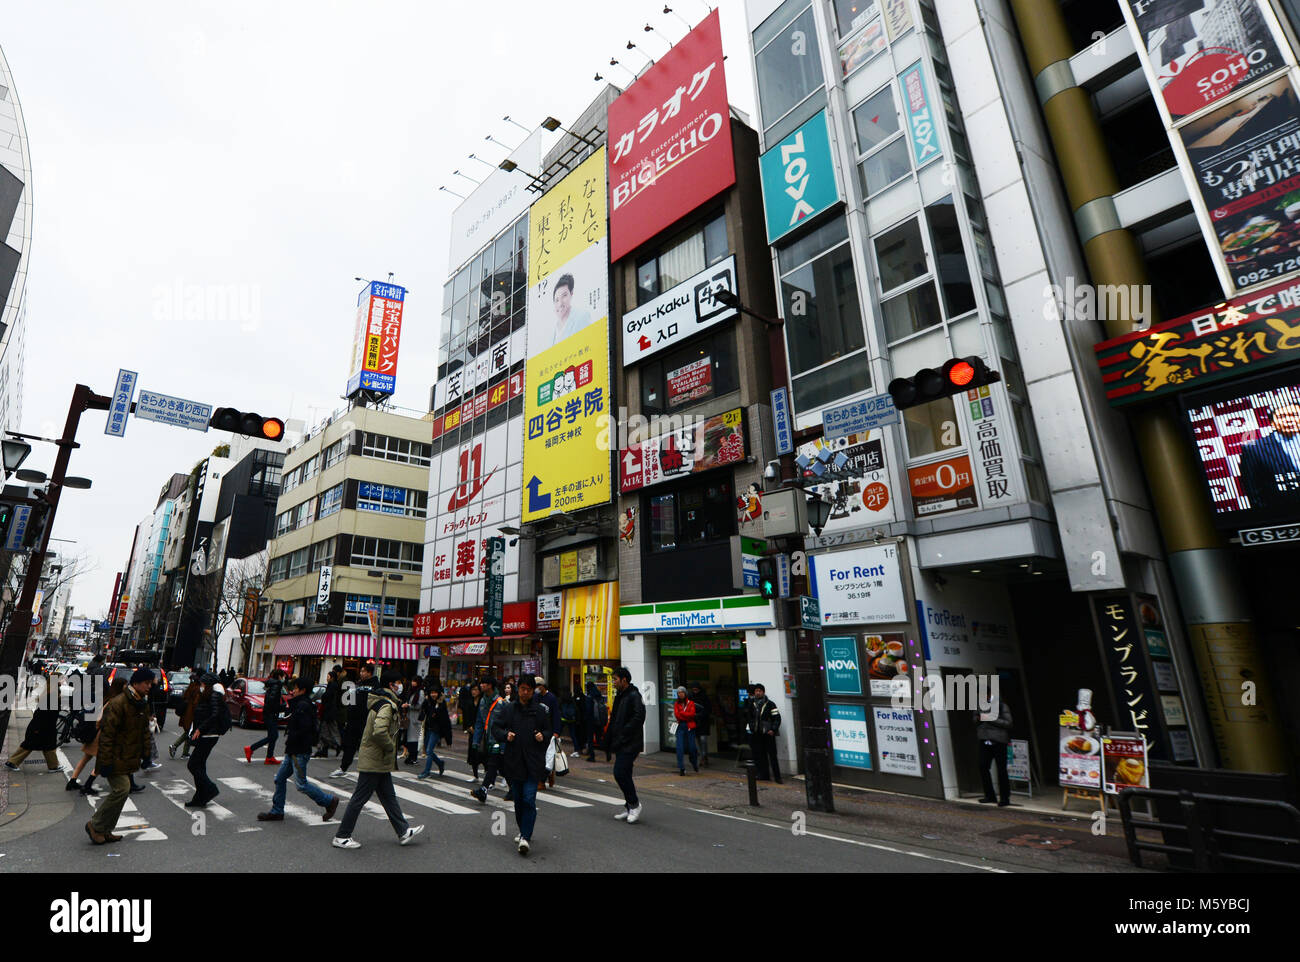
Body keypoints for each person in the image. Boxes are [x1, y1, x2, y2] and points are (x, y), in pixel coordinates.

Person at [332, 669, 424, 849]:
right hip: (375, 758)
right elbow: (380, 731)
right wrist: (391, 747)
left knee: (389, 797)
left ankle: (403, 831)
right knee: (359, 799)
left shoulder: (383, 701)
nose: (400, 686)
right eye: (398, 682)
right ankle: (342, 836)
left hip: (378, 759)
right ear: (391, 685)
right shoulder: (386, 705)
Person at [85, 668, 153, 844]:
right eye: (146, 683)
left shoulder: (141, 703)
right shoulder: (119, 703)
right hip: (114, 756)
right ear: (136, 683)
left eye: (150, 683)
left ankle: (105, 829)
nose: (149, 687)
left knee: (122, 792)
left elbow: (144, 731)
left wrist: (147, 755)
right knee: (122, 789)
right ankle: (96, 824)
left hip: (128, 757)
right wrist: (105, 762)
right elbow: (107, 735)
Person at [258, 677, 339, 823]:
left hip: (299, 751)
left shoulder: (304, 706)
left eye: (295, 688)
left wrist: (293, 740)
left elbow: (304, 729)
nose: (293, 690)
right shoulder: (301, 704)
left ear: (302, 690)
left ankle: (329, 801)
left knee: (301, 784)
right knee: (280, 779)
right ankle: (277, 811)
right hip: (294, 750)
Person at [491, 675, 552, 856]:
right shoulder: (510, 709)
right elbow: (496, 728)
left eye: (529, 689)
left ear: (533, 691)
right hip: (514, 761)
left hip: (533, 762)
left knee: (528, 799)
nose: (525, 692)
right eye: (522, 688)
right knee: (518, 800)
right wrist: (505, 735)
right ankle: (523, 830)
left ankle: (525, 836)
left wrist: (543, 736)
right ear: (518, 689)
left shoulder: (540, 711)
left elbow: (549, 729)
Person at [1240, 401, 1300, 515]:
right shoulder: (1254, 449)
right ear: (1272, 422)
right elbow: (1253, 491)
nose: (1289, 420)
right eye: (1282, 416)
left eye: (1295, 415)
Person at [605, 667, 645, 824]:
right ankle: (630, 806)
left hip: (630, 742)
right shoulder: (620, 696)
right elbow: (614, 718)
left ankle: (635, 804)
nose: (613, 682)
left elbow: (638, 717)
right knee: (624, 774)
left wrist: (623, 734)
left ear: (624, 680)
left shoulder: (634, 696)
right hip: (621, 742)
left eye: (615, 679)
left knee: (620, 772)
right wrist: (608, 741)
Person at [5, 676, 62, 776]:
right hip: (41, 726)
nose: (63, 680)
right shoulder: (51, 696)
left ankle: (53, 766)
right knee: (31, 745)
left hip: (44, 726)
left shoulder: (51, 693)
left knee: (48, 746)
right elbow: (42, 714)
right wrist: (37, 728)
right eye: (61, 678)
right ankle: (12, 762)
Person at [186, 673, 229, 807]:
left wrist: (200, 729)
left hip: (209, 735)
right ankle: (200, 797)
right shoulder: (208, 695)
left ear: (208, 685)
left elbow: (215, 715)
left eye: (202, 684)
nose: (201, 686)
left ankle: (209, 789)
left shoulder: (214, 695)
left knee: (192, 764)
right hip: (206, 734)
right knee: (200, 765)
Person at [333, 663, 377, 777]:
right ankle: (343, 767)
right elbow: (350, 701)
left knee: (366, 746)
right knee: (349, 745)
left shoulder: (375, 686)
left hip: (366, 720)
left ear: (369, 673)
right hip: (353, 720)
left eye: (364, 671)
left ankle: (368, 769)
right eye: (361, 671)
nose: (361, 673)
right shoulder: (357, 684)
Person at [470, 677, 507, 803]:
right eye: (481, 683)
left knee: (493, 764)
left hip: (499, 740)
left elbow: (507, 723)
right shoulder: (482, 701)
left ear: (490, 685)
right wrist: (476, 741)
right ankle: (513, 789)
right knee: (500, 767)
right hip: (488, 739)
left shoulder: (501, 703)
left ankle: (483, 790)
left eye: (484, 683)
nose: (481, 685)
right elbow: (480, 722)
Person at [977, 695, 1013, 807]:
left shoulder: (1002, 706)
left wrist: (989, 718)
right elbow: (975, 719)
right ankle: (990, 796)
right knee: (982, 766)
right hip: (984, 740)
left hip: (999, 741)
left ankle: (1004, 798)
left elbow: (1008, 723)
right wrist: (978, 719)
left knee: (1001, 769)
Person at [244, 668, 285, 765]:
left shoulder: (271, 685)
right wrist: (281, 707)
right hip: (271, 713)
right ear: (279, 676)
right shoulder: (276, 685)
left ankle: (269, 757)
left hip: (269, 713)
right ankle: (251, 748)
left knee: (272, 736)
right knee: (273, 736)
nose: (283, 678)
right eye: (283, 676)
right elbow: (272, 701)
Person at [745, 684, 782, 783]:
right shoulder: (751, 704)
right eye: (756, 691)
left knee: (772, 755)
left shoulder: (770, 704)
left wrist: (773, 729)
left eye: (760, 691)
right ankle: (763, 775)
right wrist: (752, 728)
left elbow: (777, 718)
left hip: (768, 734)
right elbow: (749, 717)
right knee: (760, 755)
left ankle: (777, 777)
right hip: (756, 734)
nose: (758, 693)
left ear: (763, 692)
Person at [417, 686, 451, 779]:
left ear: (439, 693)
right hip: (428, 728)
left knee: (429, 750)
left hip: (437, 730)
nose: (433, 694)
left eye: (435, 692)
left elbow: (445, 720)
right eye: (431, 692)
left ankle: (427, 772)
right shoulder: (427, 701)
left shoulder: (441, 703)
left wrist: (448, 738)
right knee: (429, 751)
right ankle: (440, 763)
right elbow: (423, 711)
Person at [550, 273, 592, 347]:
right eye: (556, 300)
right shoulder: (553, 332)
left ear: (571, 294)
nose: (560, 304)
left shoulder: (582, 317)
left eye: (564, 296)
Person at [168, 676, 203, 760]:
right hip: (191, 715)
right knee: (189, 732)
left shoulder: (190, 687)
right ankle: (175, 746)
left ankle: (185, 753)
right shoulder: (198, 689)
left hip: (186, 714)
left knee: (188, 733)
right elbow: (196, 703)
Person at [535, 678, 561, 790]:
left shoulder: (551, 698)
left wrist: (556, 732)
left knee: (546, 757)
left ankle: (542, 781)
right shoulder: (535, 697)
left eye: (537, 686)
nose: (536, 688)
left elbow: (556, 715)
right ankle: (546, 775)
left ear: (542, 686)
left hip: (549, 731)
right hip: (537, 731)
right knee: (538, 756)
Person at [314, 669, 344, 758]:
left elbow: (328, 699)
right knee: (329, 731)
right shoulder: (333, 686)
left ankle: (336, 746)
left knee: (325, 732)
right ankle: (324, 750)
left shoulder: (332, 687)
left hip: (328, 713)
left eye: (328, 677)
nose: (327, 678)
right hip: (329, 713)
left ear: (332, 677)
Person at [672, 686, 699, 776]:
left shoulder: (690, 703)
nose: (680, 694)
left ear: (685, 693)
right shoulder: (676, 704)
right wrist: (685, 715)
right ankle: (681, 768)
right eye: (679, 693)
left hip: (689, 726)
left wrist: (682, 713)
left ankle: (694, 762)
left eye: (682, 692)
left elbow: (692, 715)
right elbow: (677, 715)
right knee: (679, 747)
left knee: (692, 748)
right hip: (680, 726)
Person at [689, 683, 712, 768]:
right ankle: (702, 757)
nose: (695, 691)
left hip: (703, 721)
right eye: (693, 689)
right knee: (698, 739)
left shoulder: (704, 697)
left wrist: (700, 714)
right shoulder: (690, 697)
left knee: (703, 739)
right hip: (695, 721)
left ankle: (704, 756)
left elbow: (709, 709)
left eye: (696, 690)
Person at [582, 681, 606, 762]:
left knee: (590, 739)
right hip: (599, 720)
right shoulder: (599, 695)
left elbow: (588, 709)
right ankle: (607, 751)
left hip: (591, 720)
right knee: (599, 739)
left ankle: (592, 756)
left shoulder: (589, 696)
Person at [402, 678, 423, 765]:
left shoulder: (420, 692)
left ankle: (413, 757)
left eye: (415, 681)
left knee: (413, 739)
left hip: (415, 719)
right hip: (409, 717)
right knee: (407, 738)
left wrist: (408, 705)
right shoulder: (411, 691)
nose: (413, 682)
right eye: (412, 681)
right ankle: (410, 756)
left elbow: (419, 705)